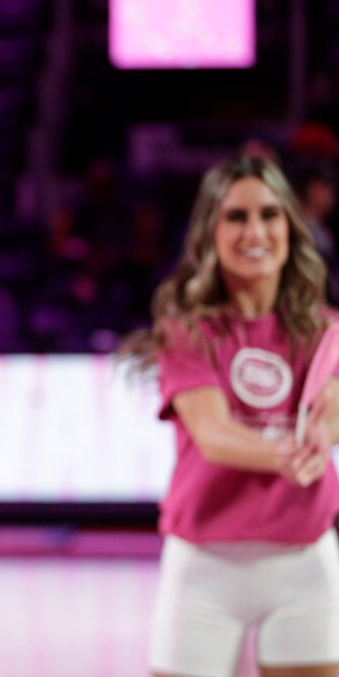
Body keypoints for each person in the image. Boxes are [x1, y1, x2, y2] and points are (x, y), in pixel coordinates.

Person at [122, 155, 339, 677]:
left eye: (269, 214)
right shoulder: (188, 330)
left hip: (304, 560)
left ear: (290, 225)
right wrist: (288, 454)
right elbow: (215, 434)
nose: (255, 231)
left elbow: (330, 408)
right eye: (235, 217)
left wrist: (322, 436)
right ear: (209, 233)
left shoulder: (324, 328)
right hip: (204, 566)